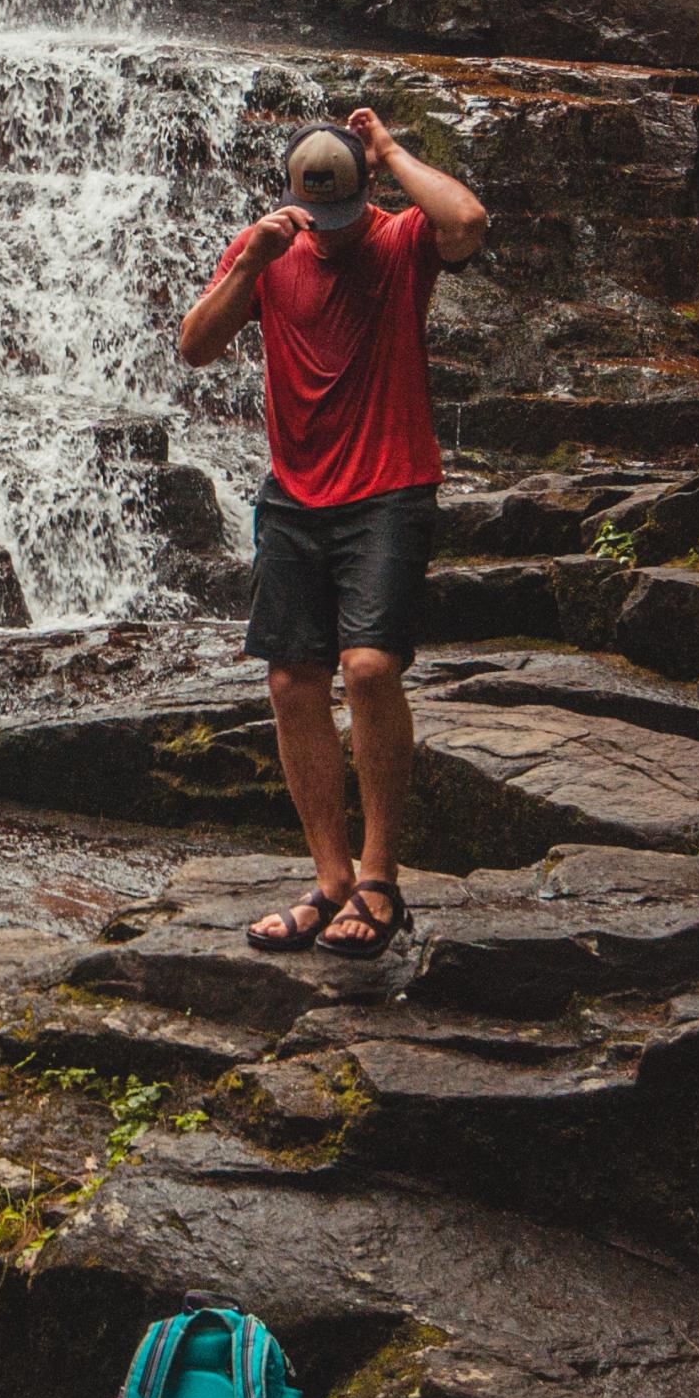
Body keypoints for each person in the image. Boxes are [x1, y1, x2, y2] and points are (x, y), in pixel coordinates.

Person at [177, 108, 488, 957]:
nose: (337, 232)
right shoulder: (268, 250)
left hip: (390, 487)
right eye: (323, 217)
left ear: (370, 195)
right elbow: (195, 346)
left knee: (370, 666)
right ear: (293, 201)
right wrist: (252, 264)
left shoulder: (398, 240)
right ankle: (332, 880)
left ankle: (382, 878)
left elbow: (466, 222)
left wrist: (388, 148)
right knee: (291, 683)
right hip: (295, 495)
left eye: (349, 211)